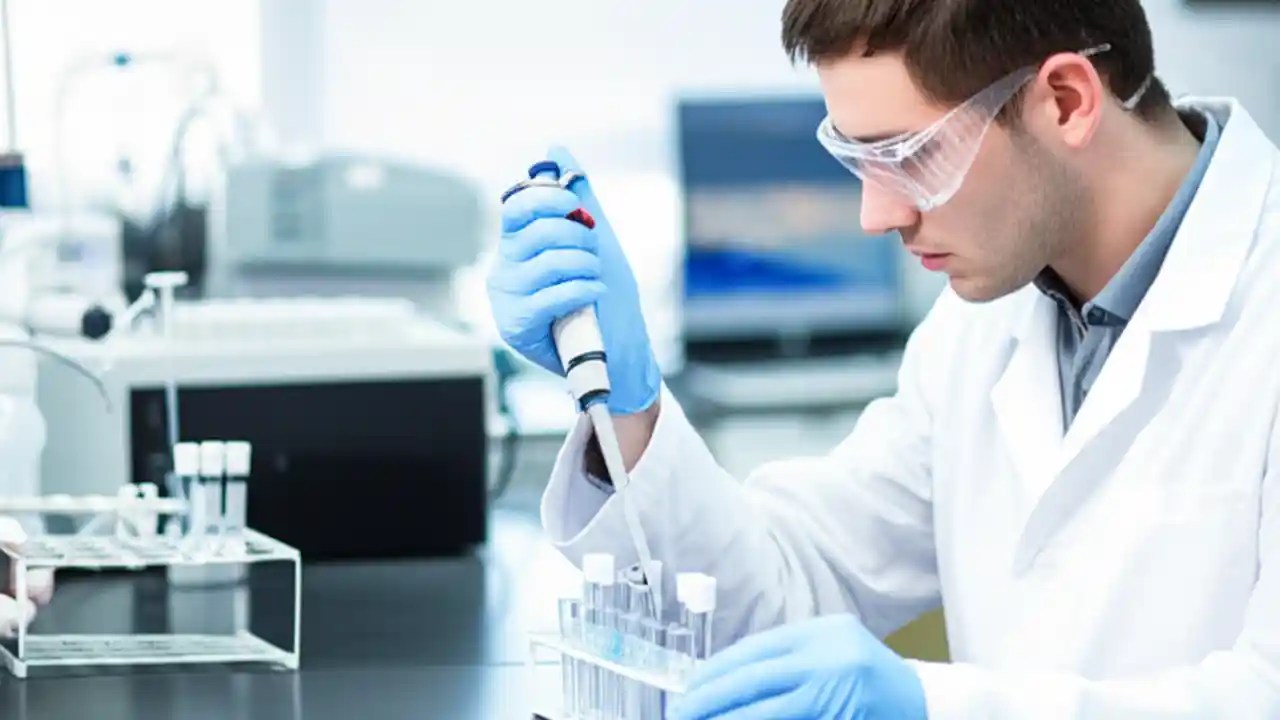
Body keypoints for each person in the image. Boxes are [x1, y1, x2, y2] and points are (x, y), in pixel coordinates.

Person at [487, 0, 1280, 717]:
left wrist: (934, 709)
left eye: (909, 156)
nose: (877, 214)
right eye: (858, 160)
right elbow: (784, 594)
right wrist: (631, 404)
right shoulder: (985, 319)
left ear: (1066, 101)